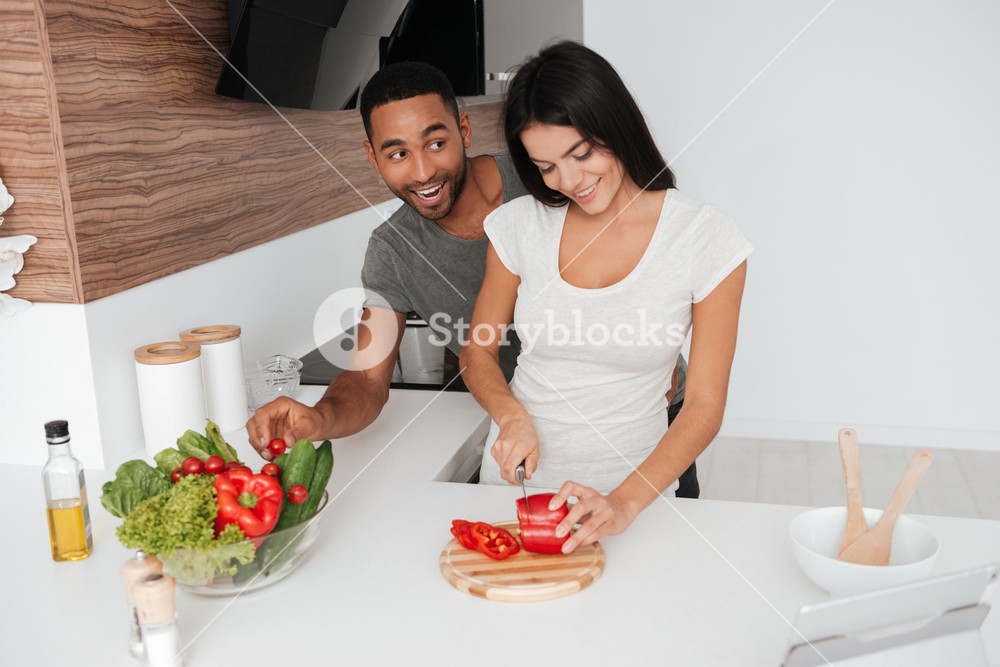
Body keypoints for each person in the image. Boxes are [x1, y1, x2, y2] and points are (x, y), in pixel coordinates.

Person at [245, 61, 693, 490]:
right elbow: (366, 378)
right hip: (525, 432)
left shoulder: (544, 176)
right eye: (398, 153)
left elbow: (642, 246)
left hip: (643, 418)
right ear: (372, 156)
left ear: (463, 130)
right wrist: (319, 418)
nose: (422, 172)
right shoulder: (393, 251)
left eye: (435, 143)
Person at [460, 41, 752, 553]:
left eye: (582, 153)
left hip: (632, 498)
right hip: (516, 488)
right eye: (547, 167)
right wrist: (510, 416)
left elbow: (704, 404)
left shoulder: (705, 237)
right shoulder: (519, 227)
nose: (569, 181)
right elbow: (478, 351)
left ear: (617, 127)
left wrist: (623, 503)